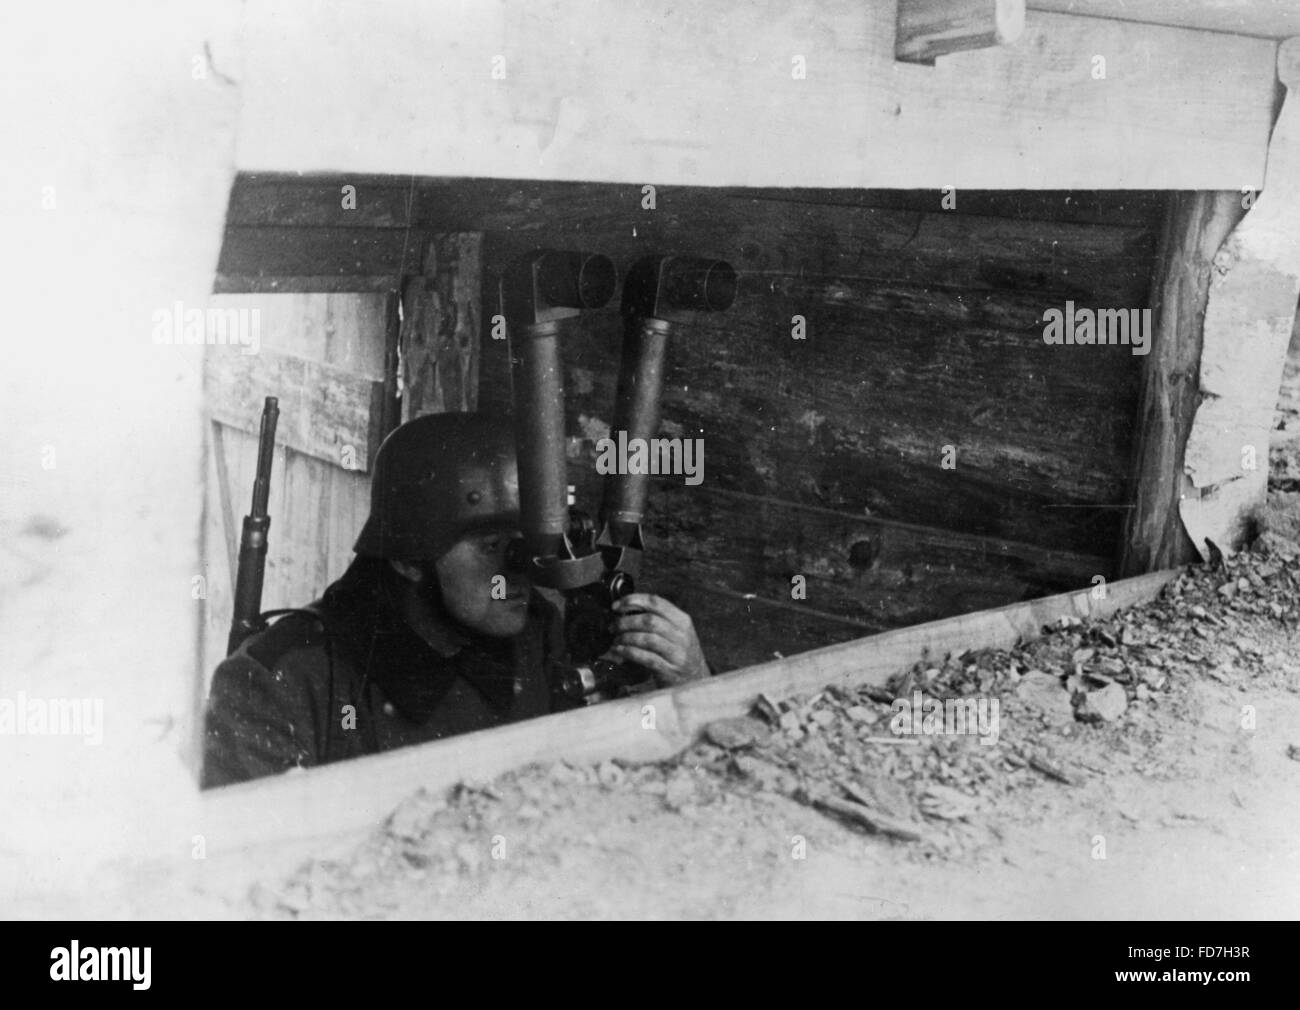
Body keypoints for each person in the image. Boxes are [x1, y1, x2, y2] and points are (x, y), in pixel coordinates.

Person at [201, 412, 709, 789]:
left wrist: (692, 685)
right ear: (407, 556)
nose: (522, 569)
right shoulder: (279, 679)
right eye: (492, 546)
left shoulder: (536, 633)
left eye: (527, 542)